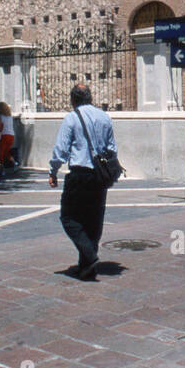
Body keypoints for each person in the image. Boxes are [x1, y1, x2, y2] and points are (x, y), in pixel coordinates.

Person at [49, 84, 117, 280]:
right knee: (93, 220)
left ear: (73, 99)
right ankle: (87, 267)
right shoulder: (104, 117)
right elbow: (112, 148)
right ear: (90, 97)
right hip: (100, 175)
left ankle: (89, 256)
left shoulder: (71, 118)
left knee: (69, 217)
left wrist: (53, 171)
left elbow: (61, 150)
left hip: (79, 174)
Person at [0, 101, 15, 172]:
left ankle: (1, 167)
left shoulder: (0, 116)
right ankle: (14, 163)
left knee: (1, 152)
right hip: (11, 135)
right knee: (7, 151)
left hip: (4, 135)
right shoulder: (10, 117)